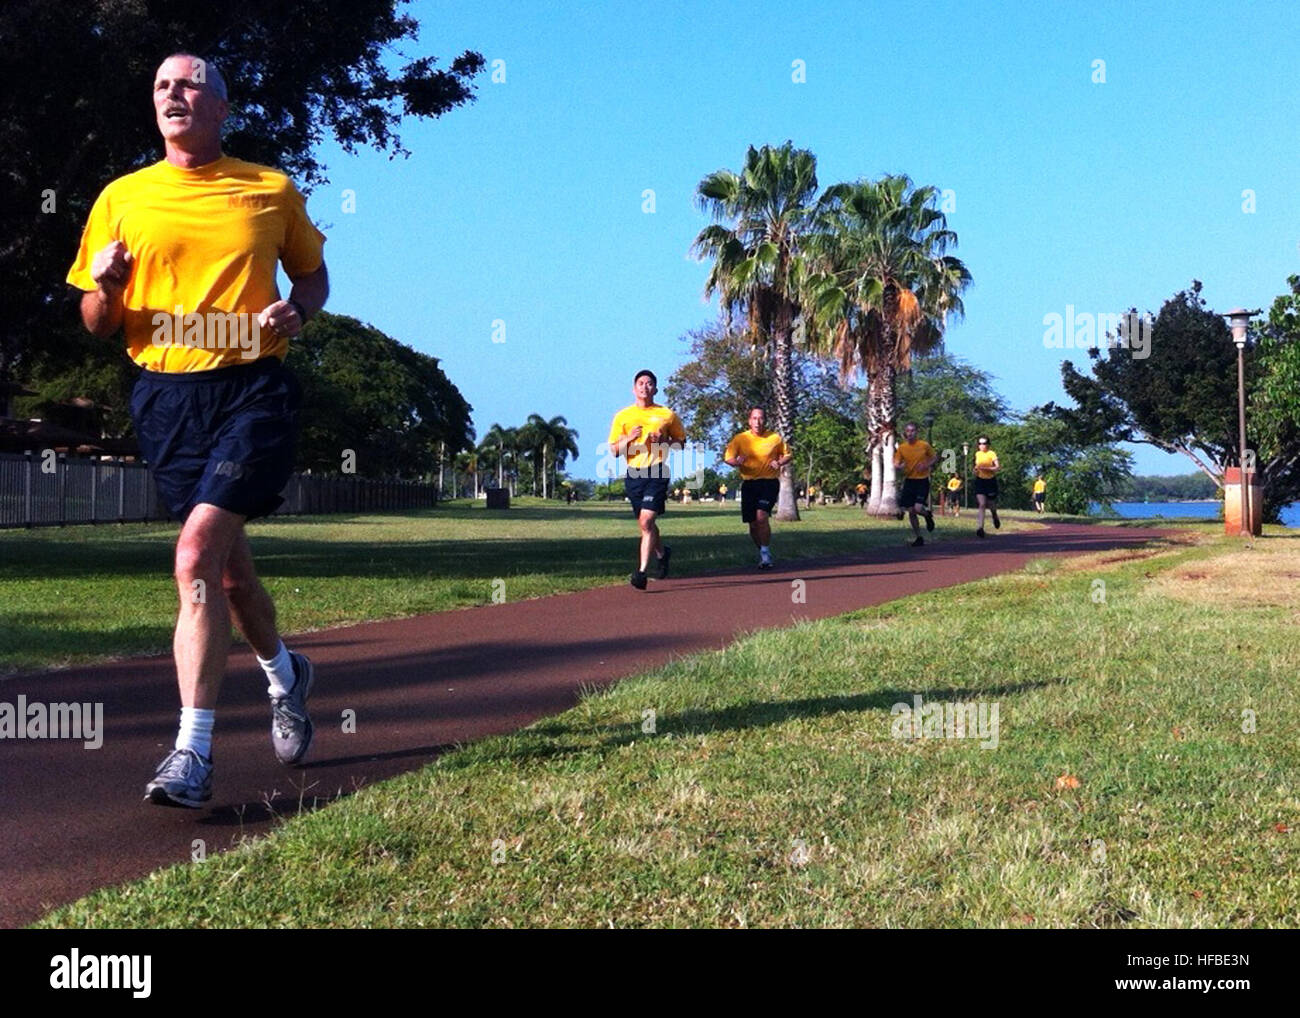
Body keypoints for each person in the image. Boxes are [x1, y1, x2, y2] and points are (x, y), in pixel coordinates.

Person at [67, 54, 329, 808]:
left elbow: (312, 277)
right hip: (165, 398)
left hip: (253, 388)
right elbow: (94, 322)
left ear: (221, 105)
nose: (172, 95)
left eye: (187, 85)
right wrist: (109, 288)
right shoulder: (122, 197)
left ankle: (191, 752)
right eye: (159, 86)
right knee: (228, 575)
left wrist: (299, 311)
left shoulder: (269, 188)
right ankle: (286, 676)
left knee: (193, 553)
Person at [607, 370, 685, 589]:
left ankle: (641, 572)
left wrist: (664, 441)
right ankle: (662, 553)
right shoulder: (622, 416)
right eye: (640, 383)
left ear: (655, 389)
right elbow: (614, 451)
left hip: (657, 471)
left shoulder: (667, 414)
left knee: (646, 521)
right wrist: (630, 438)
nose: (645, 387)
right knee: (646, 525)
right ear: (634, 389)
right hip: (634, 474)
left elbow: (681, 443)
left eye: (649, 383)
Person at [723, 406, 792, 569]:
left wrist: (780, 462)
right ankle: (763, 551)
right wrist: (737, 462)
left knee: (761, 516)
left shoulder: (775, 438)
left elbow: (788, 454)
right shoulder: (740, 439)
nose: (758, 421)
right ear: (749, 421)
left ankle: (766, 553)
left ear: (765, 420)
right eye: (754, 418)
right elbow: (728, 458)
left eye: (761, 418)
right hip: (749, 484)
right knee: (753, 524)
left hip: (769, 482)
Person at [893, 421, 938, 546]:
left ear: (917, 432)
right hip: (909, 481)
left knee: (918, 508)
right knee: (911, 510)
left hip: (922, 480)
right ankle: (919, 537)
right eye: (908, 431)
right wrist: (899, 466)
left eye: (912, 431)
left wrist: (926, 465)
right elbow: (896, 463)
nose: (910, 433)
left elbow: (934, 457)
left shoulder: (924, 445)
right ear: (905, 433)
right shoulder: (902, 448)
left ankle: (927, 515)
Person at [973, 436, 1002, 537]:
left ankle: (994, 516)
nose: (982, 446)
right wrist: (975, 470)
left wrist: (986, 468)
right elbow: (975, 468)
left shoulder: (991, 453)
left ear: (988, 444)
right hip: (980, 481)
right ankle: (980, 527)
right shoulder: (977, 454)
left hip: (990, 481)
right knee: (982, 504)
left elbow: (998, 467)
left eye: (984, 443)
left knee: (991, 505)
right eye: (980, 443)